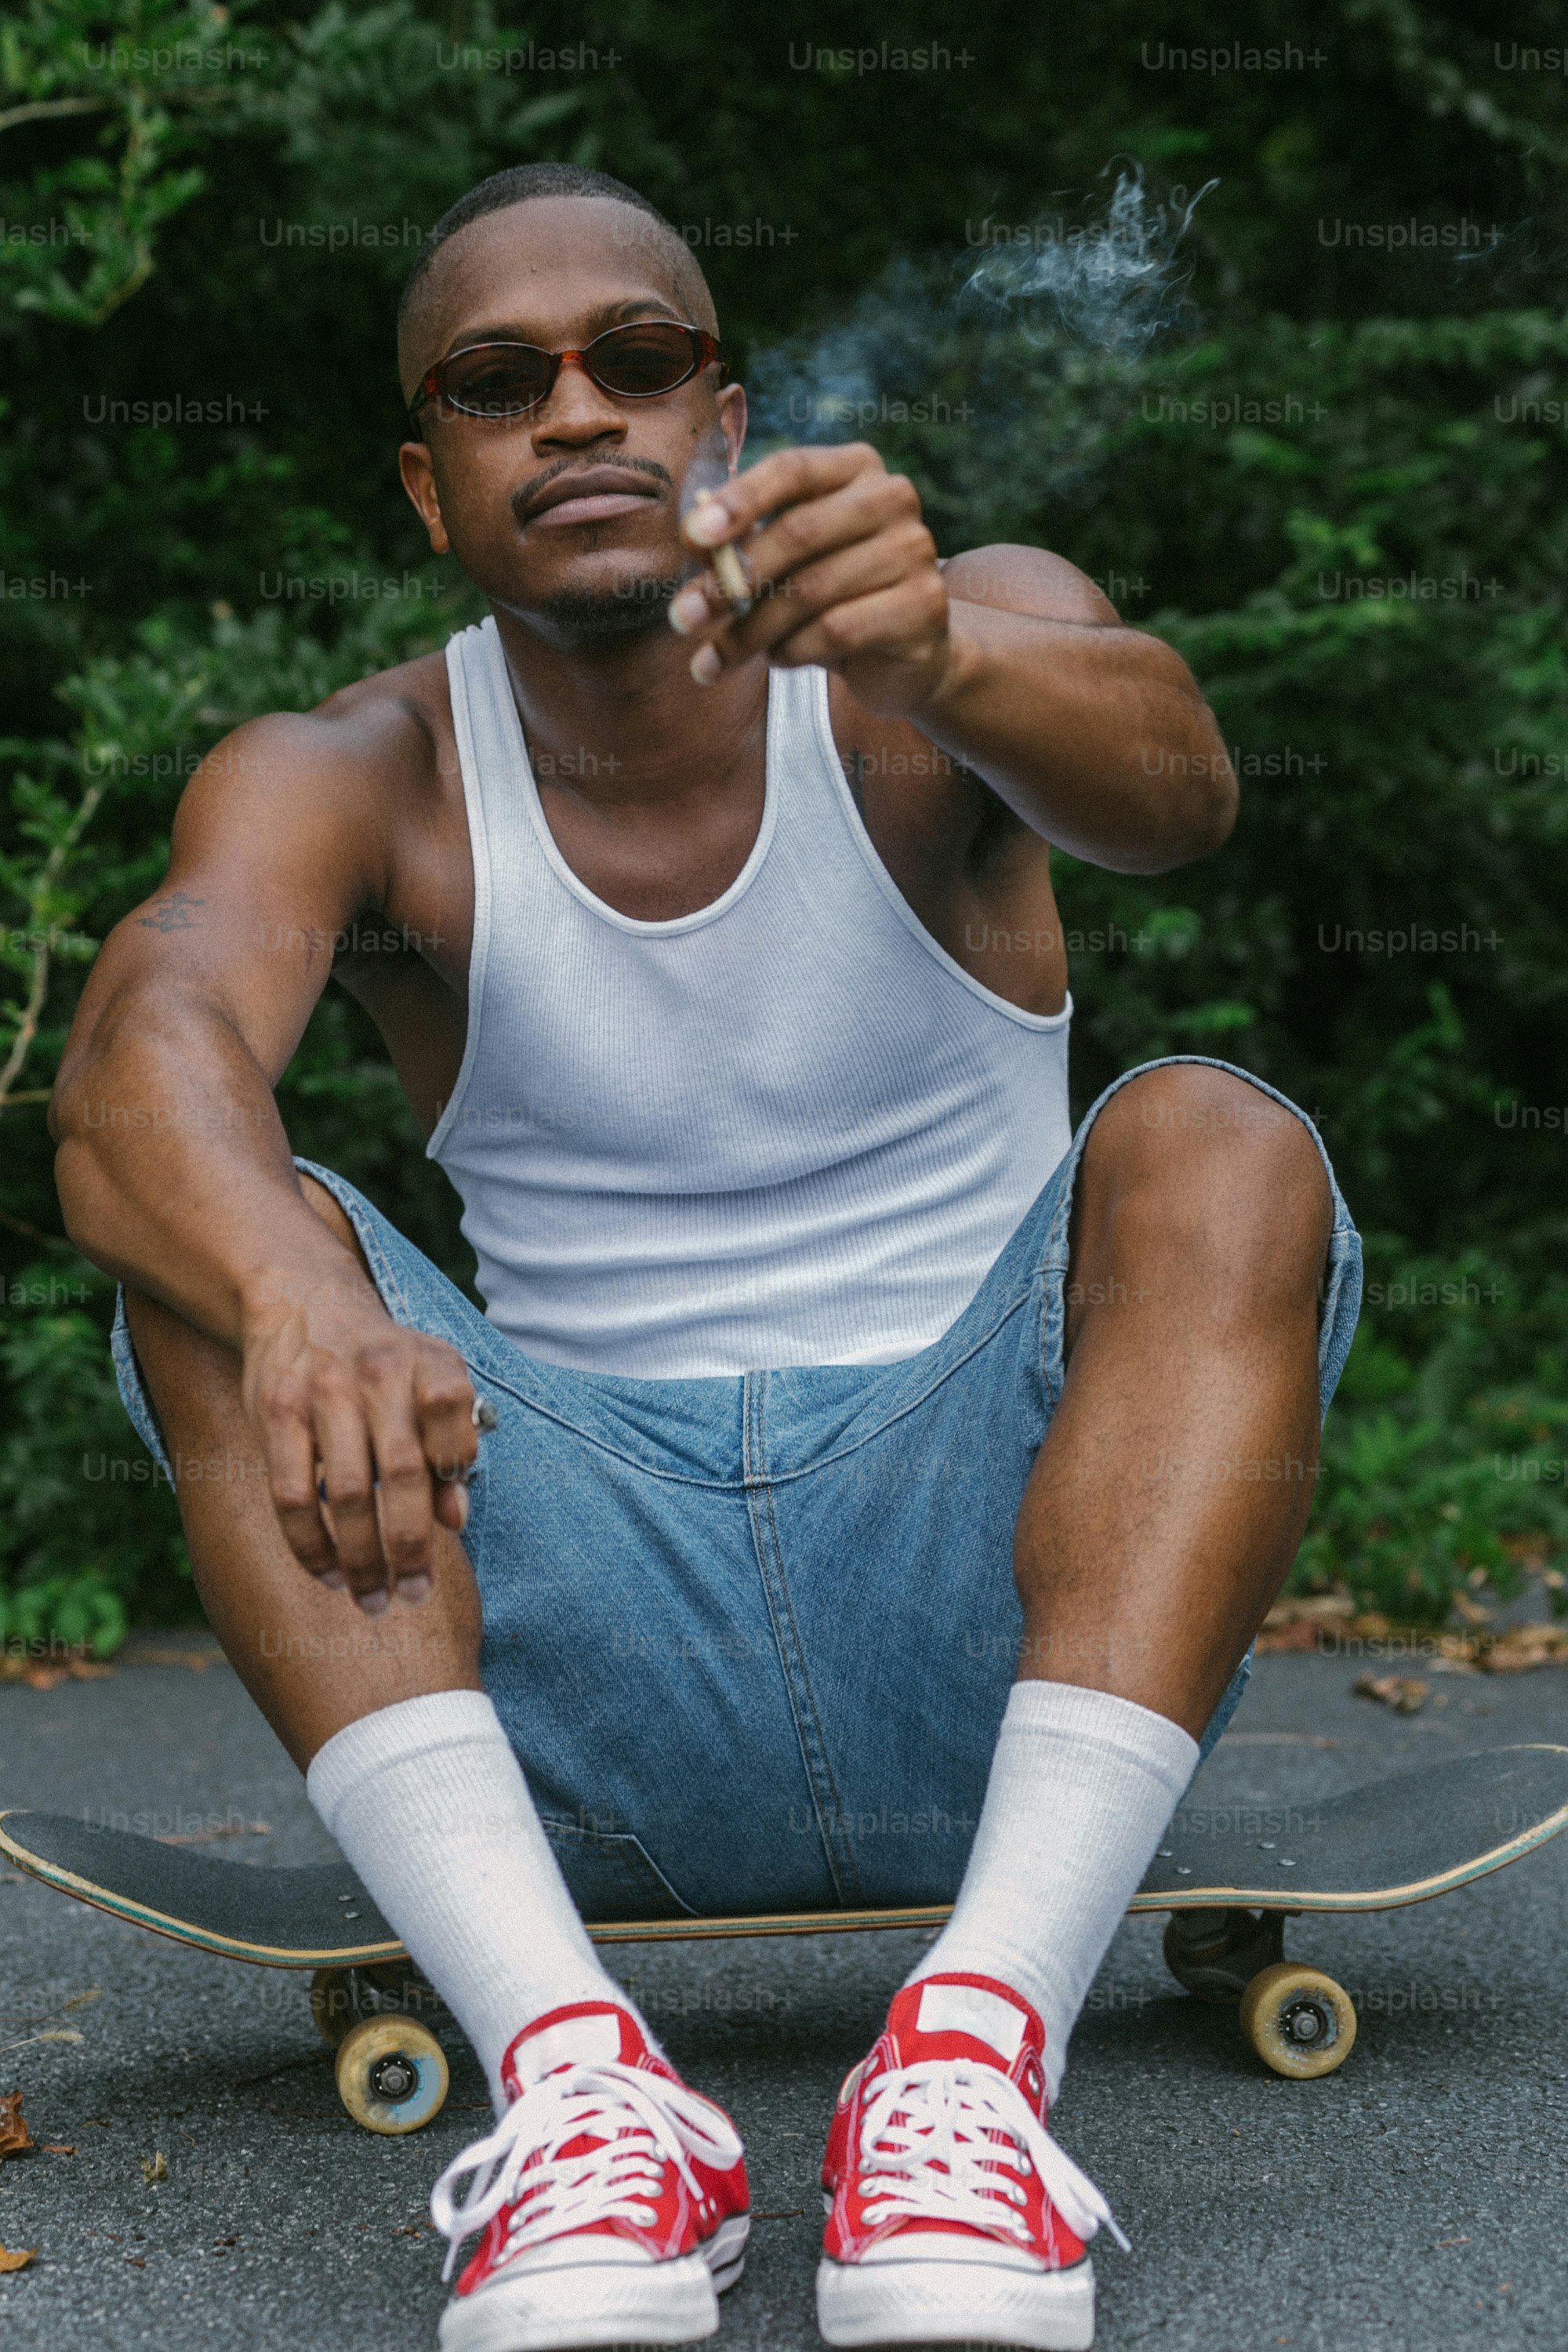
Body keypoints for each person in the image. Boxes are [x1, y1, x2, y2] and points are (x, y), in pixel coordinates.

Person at [51, 162, 1361, 2352]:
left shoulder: (937, 647)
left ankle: (971, 2064)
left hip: (1013, 1611)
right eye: (497, 382)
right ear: (426, 481)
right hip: (575, 1677)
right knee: (217, 1233)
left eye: (635, 360)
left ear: (726, 424)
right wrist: (291, 1294)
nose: (578, 410)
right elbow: (138, 1059)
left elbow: (1180, 788)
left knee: (1221, 1136)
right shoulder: (360, 766)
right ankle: (580, 2092)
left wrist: (936, 645)